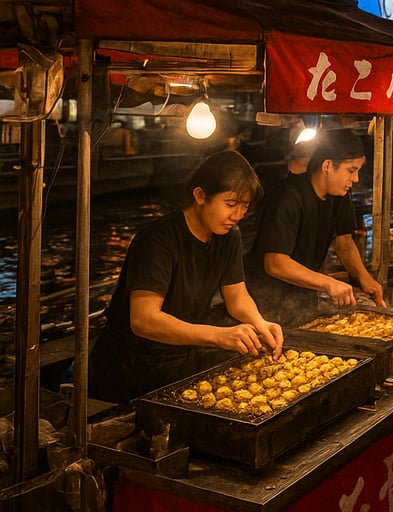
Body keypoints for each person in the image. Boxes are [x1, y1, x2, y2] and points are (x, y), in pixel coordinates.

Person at [90, 151, 284, 404]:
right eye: (231, 204)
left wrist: (260, 323)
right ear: (200, 196)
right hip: (129, 368)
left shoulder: (229, 236)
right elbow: (143, 320)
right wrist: (219, 336)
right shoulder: (157, 240)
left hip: (179, 360)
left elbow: (236, 295)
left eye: (245, 206)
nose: (237, 215)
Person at [245, 128, 385, 326]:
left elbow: (344, 242)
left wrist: (364, 278)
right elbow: (275, 263)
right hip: (263, 307)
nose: (355, 179)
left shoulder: (340, 196)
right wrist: (328, 283)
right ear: (327, 166)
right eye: (351, 170)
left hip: (303, 303)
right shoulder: (288, 197)